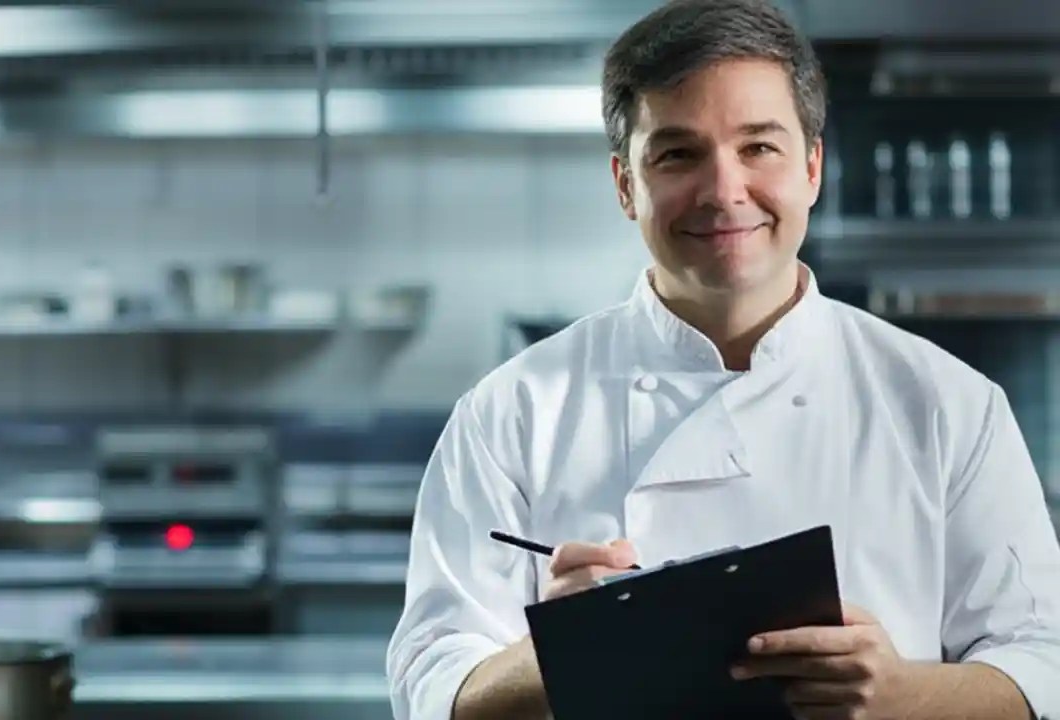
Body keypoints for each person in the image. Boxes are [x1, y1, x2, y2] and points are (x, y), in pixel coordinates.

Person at [385, 0, 1060, 718]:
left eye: (758, 147)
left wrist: (907, 695)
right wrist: (560, 652)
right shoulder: (511, 413)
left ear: (812, 168)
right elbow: (430, 685)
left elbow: (1042, 661)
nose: (723, 191)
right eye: (678, 153)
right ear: (625, 185)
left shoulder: (947, 404)